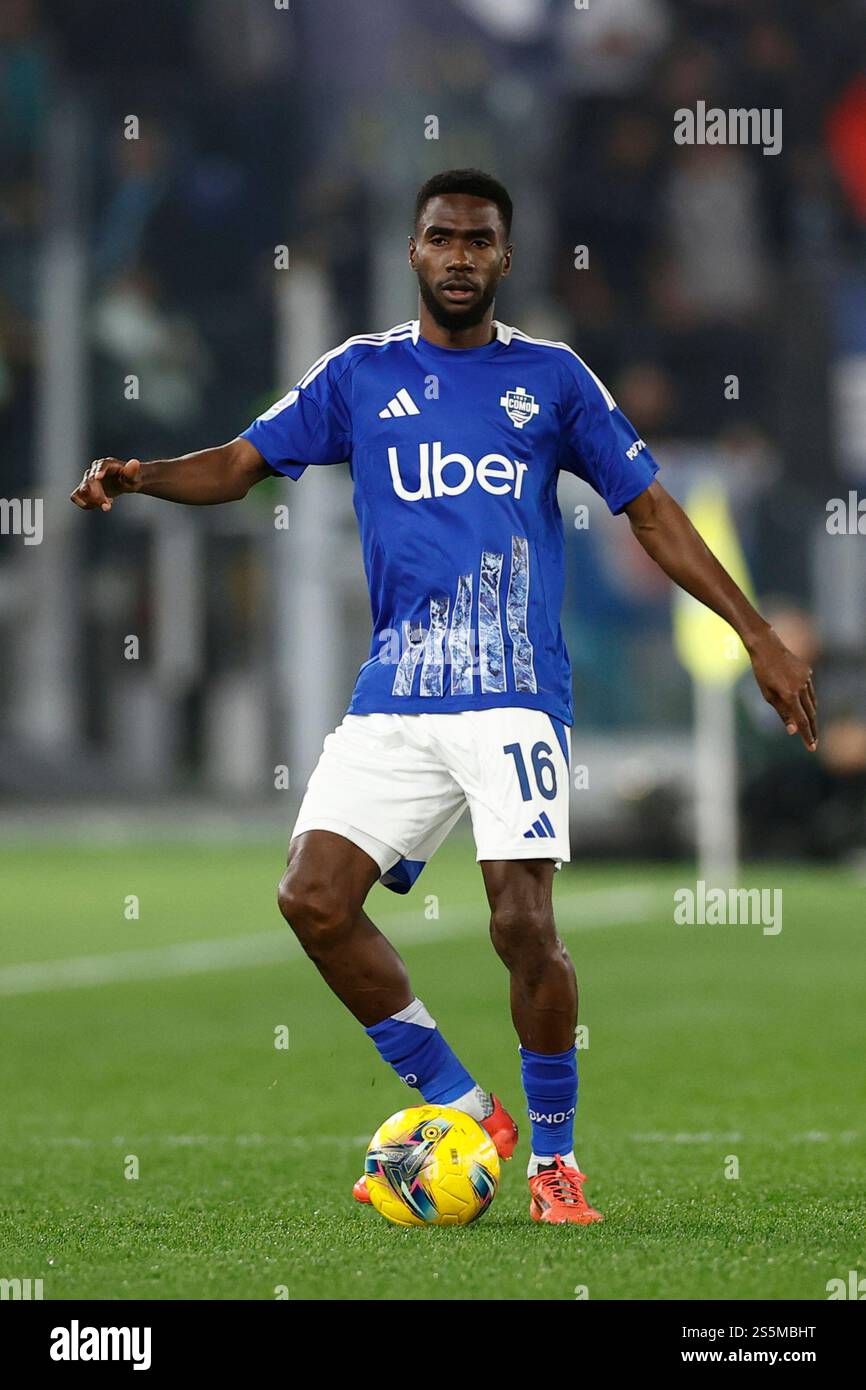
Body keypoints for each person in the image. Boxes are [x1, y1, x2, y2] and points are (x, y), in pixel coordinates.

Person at [71, 168, 818, 1224]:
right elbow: (241, 463)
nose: (459, 255)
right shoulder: (358, 375)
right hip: (395, 695)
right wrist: (141, 473)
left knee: (520, 921)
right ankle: (466, 1110)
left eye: (478, 240)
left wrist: (754, 633)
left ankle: (554, 1162)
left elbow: (649, 512)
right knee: (309, 899)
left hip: (512, 691)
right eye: (440, 238)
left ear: (504, 258)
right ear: (414, 252)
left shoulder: (552, 379)